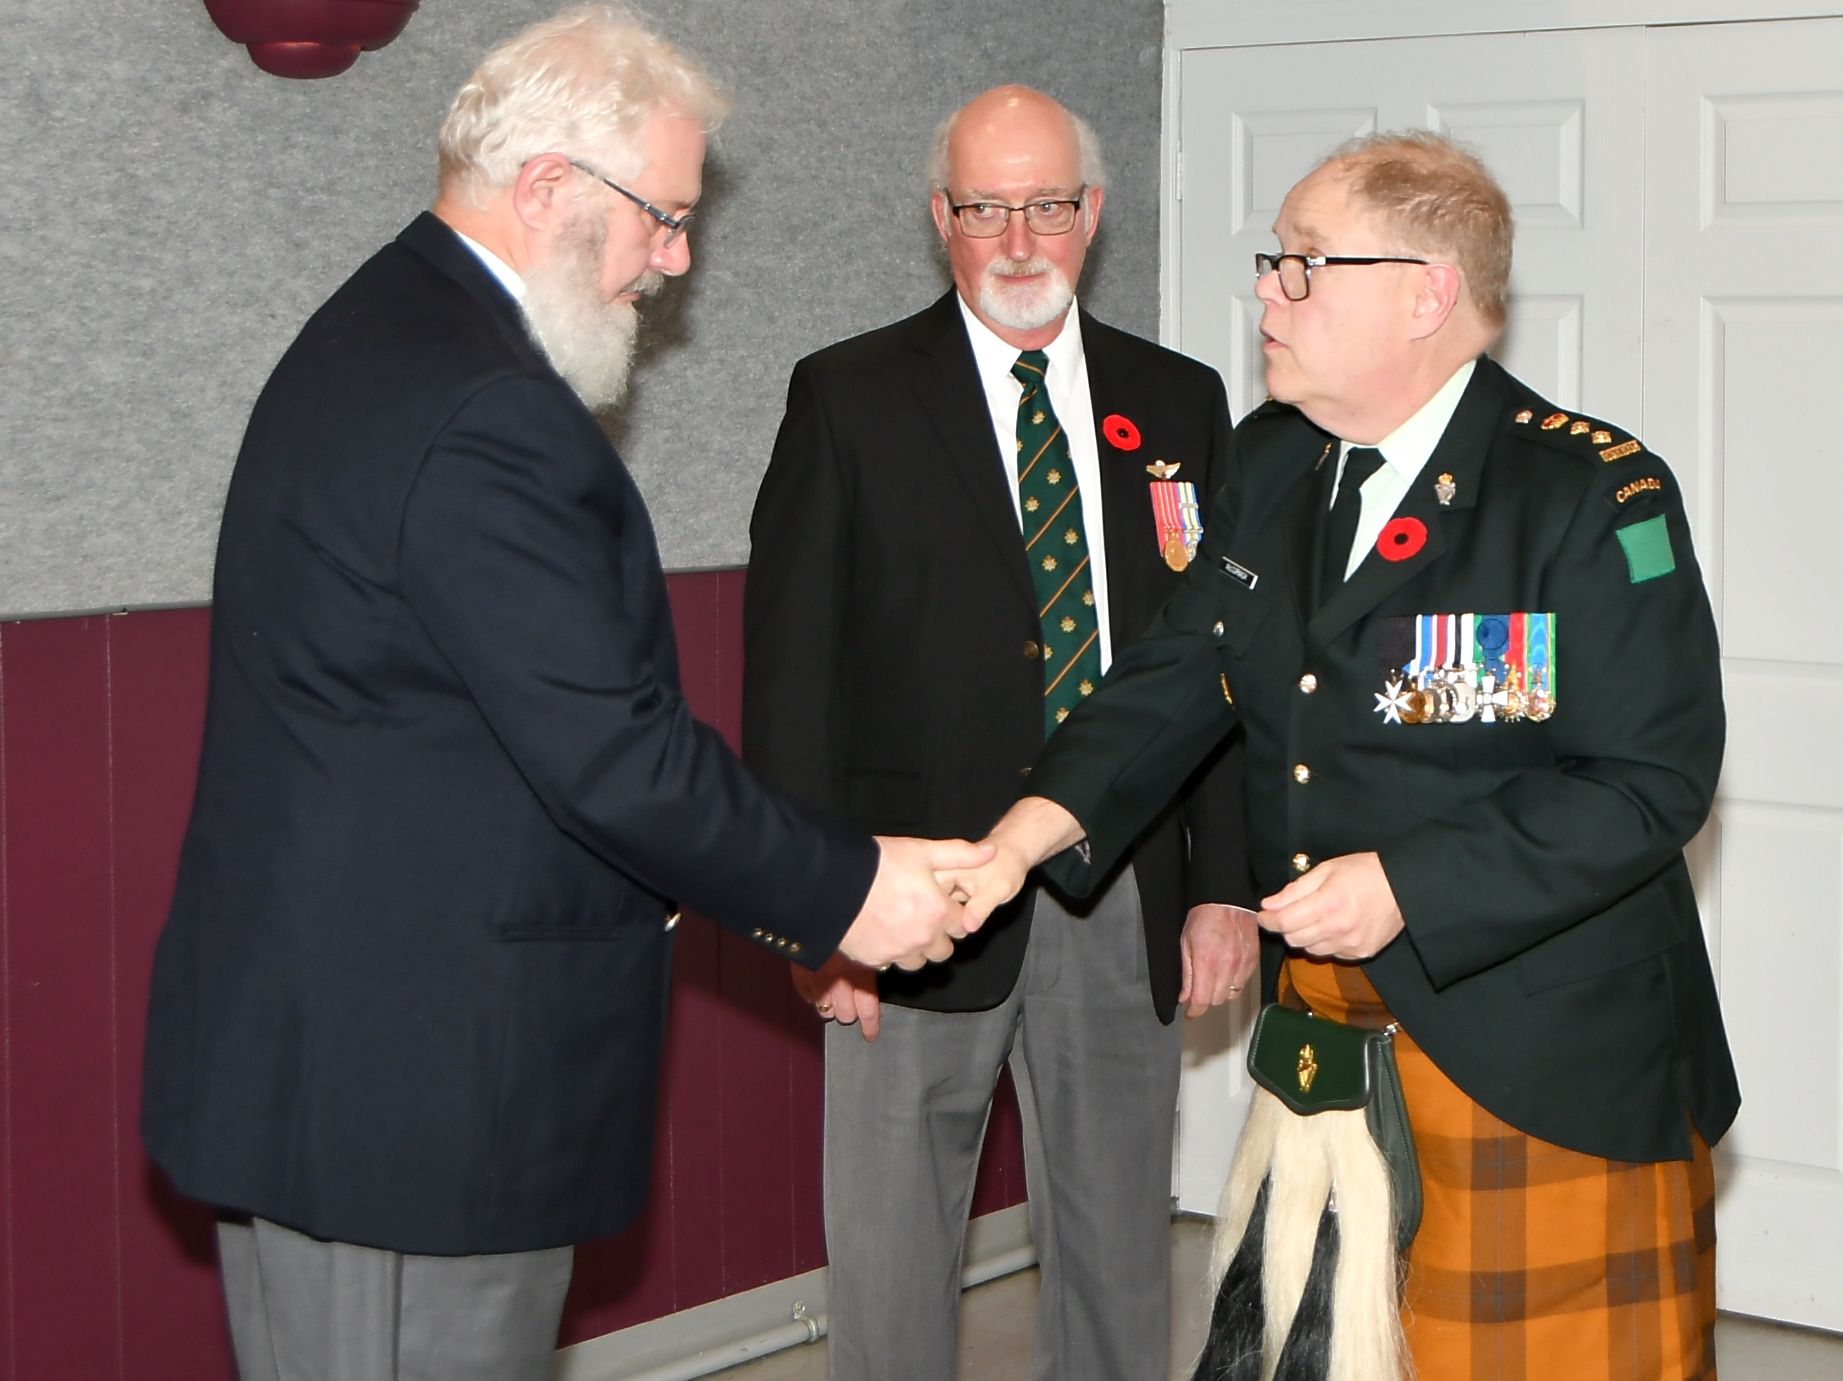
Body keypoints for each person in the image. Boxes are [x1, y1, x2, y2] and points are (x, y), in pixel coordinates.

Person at [139, 8, 986, 1380]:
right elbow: (612, 754)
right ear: (544, 187)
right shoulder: (483, 405)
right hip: (409, 1091)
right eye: (663, 216)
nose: (676, 257)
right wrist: (848, 888)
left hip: (351, 1058)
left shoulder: (392, 326)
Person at [961, 131, 1739, 1379]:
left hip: (1540, 1057)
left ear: (1426, 293)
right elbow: (1175, 675)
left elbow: (1648, 783)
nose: (1268, 293)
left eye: (1305, 264)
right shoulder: (1273, 461)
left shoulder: (1587, 493)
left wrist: (1404, 883)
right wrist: (1016, 842)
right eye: (1272, 261)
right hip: (1332, 1031)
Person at [742, 86, 1257, 1381]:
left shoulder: (1179, 401)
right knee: (890, 1257)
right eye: (984, 209)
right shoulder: (848, 396)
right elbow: (790, 677)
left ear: (1092, 212)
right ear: (940, 218)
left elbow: (1213, 665)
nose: (1017, 240)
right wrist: (815, 906)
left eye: (1045, 206)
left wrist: (1221, 885)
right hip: (911, 896)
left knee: (1117, 1252)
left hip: (1118, 880)